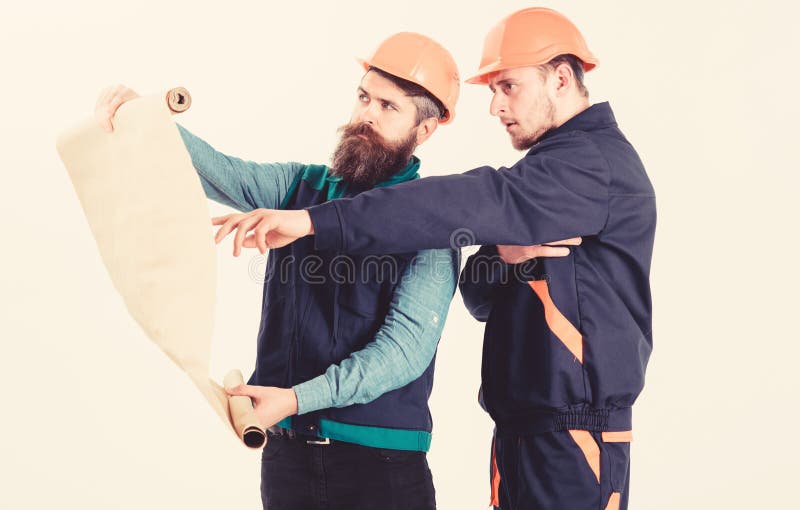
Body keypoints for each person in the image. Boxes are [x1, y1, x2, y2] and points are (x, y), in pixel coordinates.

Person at [95, 31, 578, 510]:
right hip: (285, 458)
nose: (366, 114)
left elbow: (402, 353)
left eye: (388, 107)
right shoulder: (301, 188)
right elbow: (215, 170)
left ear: (424, 130)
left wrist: (297, 399)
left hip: (379, 468)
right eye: (364, 97)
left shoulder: (431, 226)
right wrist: (145, 118)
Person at [213, 8, 656, 510]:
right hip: (524, 435)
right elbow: (480, 297)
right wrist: (504, 258)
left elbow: (466, 202)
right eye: (493, 90)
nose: (495, 106)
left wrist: (317, 221)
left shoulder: (588, 165)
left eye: (507, 86)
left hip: (574, 438)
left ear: (559, 77)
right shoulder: (546, 178)